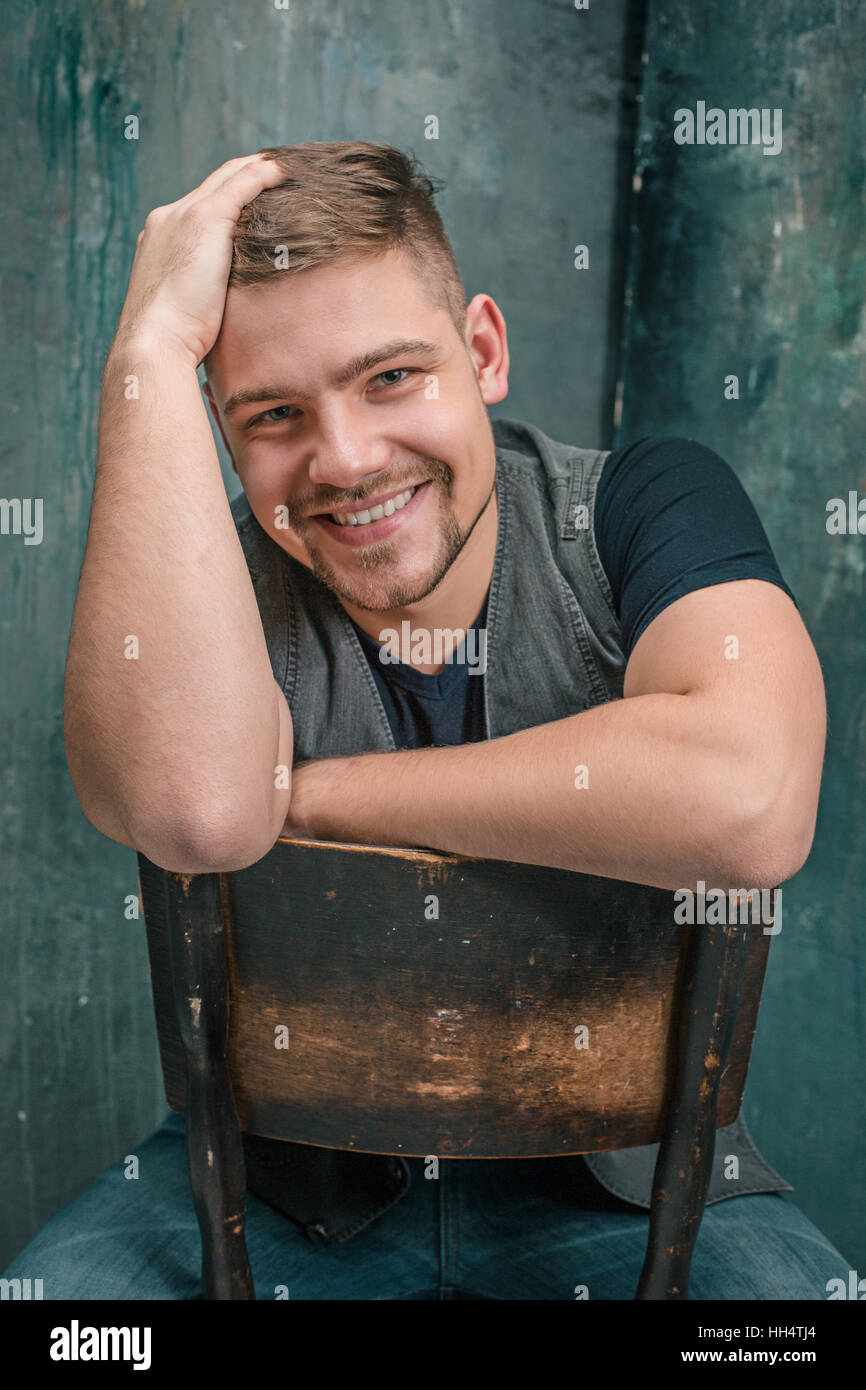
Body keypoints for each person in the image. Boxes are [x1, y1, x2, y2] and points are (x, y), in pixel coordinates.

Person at [6, 143, 849, 1300]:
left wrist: (307, 797)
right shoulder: (205, 595)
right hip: (276, 1184)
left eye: (391, 377)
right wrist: (146, 350)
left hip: (627, 1184)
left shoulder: (642, 505)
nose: (345, 460)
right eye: (271, 415)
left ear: (482, 353)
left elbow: (750, 797)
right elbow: (196, 811)